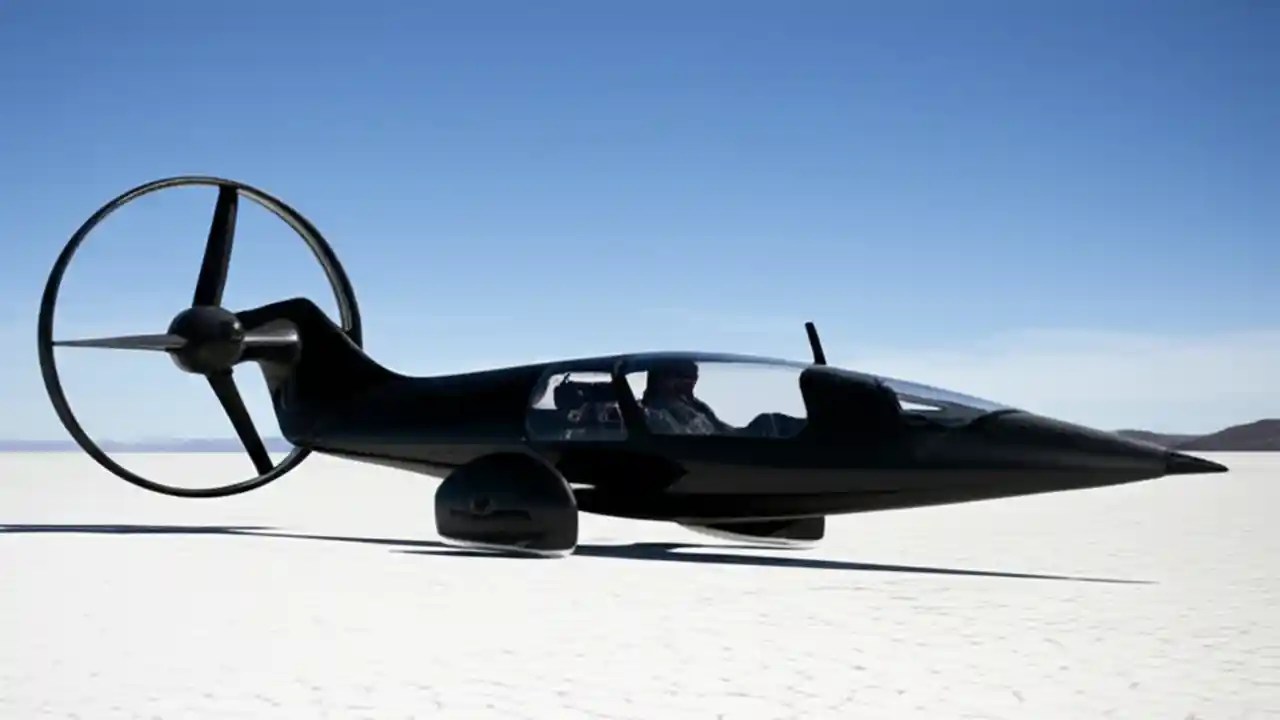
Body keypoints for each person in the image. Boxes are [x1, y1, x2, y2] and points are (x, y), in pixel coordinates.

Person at [639, 359, 733, 435]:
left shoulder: (699, 407)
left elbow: (723, 431)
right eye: (684, 377)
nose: (690, 384)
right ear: (661, 379)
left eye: (693, 378)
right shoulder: (649, 416)